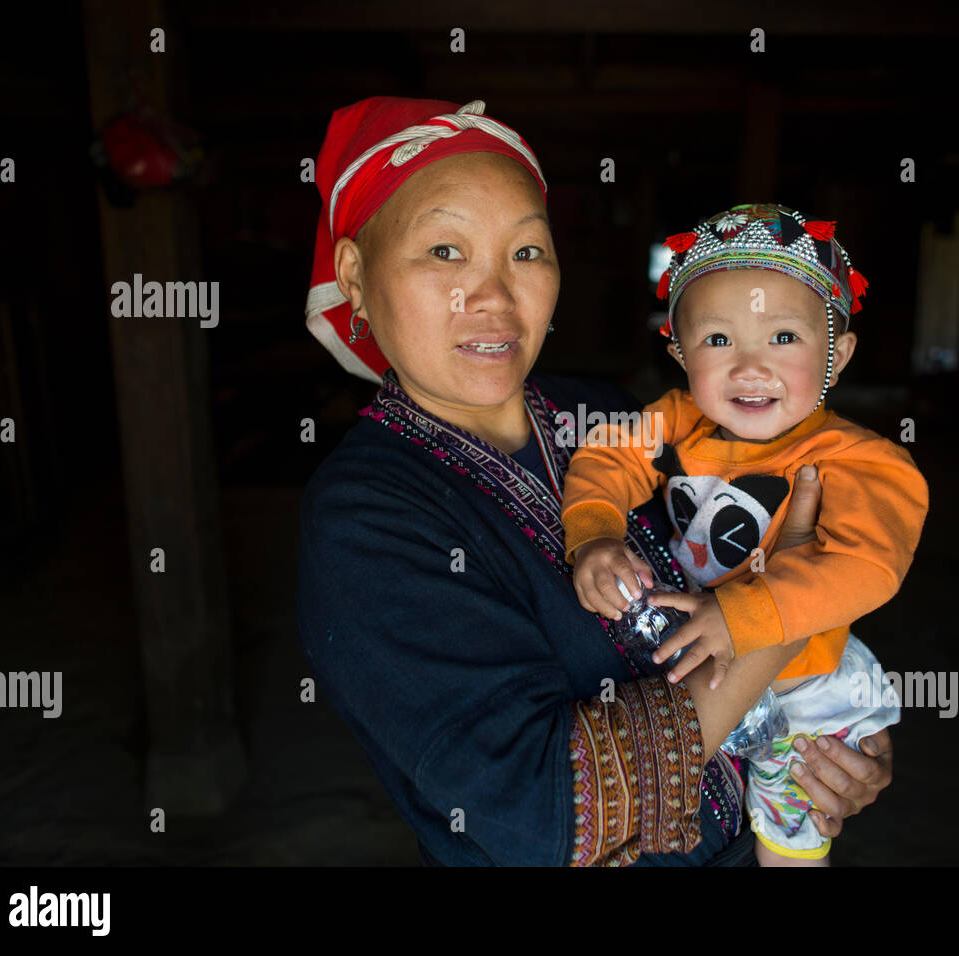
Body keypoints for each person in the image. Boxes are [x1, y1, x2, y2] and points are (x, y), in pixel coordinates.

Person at [295, 96, 894, 866]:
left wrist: (833, 744)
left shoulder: (609, 416)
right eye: (444, 251)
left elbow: (760, 564)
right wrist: (791, 610)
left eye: (526, 252)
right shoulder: (365, 516)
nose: (493, 297)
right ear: (355, 274)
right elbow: (544, 809)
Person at [561, 203, 930, 865]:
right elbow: (606, 458)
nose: (750, 366)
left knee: (791, 832)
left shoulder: (861, 459)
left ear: (837, 355)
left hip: (805, 687)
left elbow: (868, 565)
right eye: (718, 340)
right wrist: (593, 533)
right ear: (678, 350)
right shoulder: (676, 419)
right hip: (702, 678)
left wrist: (746, 615)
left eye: (784, 338)